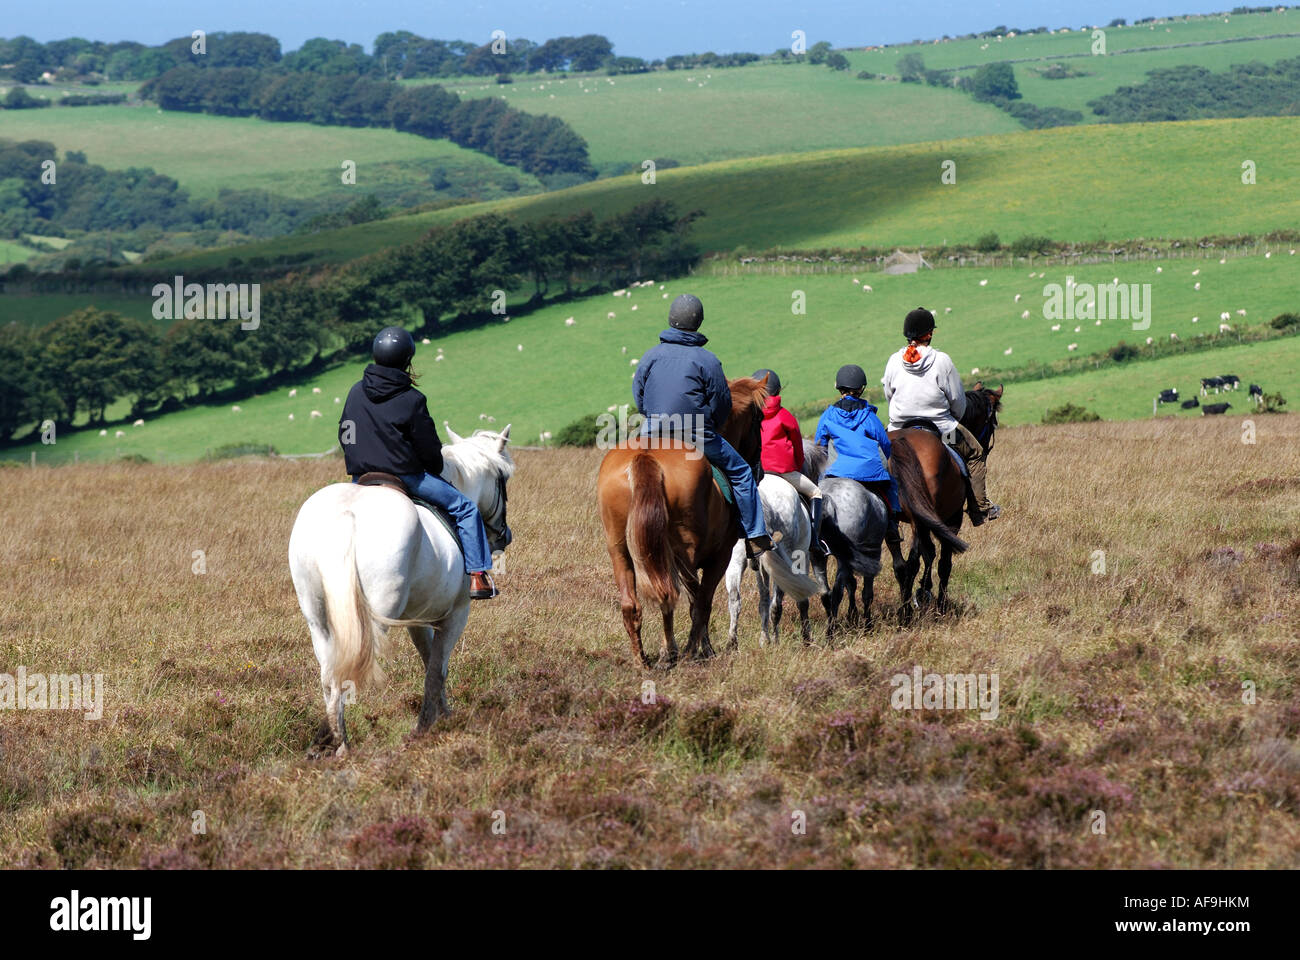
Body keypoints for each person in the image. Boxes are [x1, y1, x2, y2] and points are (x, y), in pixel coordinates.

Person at [339, 326, 498, 599]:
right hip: (406, 477)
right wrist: (431, 465)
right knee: (466, 509)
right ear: (407, 360)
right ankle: (478, 576)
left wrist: (359, 459)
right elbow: (428, 448)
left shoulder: (356, 391)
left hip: (361, 479)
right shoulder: (412, 399)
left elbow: (345, 432)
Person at [632, 294, 774, 558]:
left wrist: (652, 417)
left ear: (671, 319)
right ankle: (755, 535)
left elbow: (639, 395)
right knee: (742, 472)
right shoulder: (708, 360)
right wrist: (710, 422)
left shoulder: (650, 355)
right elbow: (721, 404)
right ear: (698, 322)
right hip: (695, 431)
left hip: (651, 431)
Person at [881, 307, 999, 524]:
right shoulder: (942, 360)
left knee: (877, 456)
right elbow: (957, 400)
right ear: (930, 333)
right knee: (975, 453)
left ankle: (879, 506)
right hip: (942, 430)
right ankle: (980, 507)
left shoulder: (893, 360)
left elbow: (888, 394)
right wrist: (953, 416)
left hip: (897, 428)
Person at [814, 364, 902, 545]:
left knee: (817, 492)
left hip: (837, 471)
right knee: (891, 484)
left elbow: (819, 446)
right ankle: (892, 524)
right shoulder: (869, 416)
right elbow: (885, 444)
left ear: (838, 387)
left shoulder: (828, 415)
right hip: (868, 472)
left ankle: (814, 533)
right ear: (861, 388)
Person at [752, 368, 827, 555]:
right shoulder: (785, 415)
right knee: (816, 493)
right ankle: (815, 541)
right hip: (784, 472)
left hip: (757, 472)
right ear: (778, 390)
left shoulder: (750, 415)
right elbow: (798, 447)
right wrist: (797, 465)